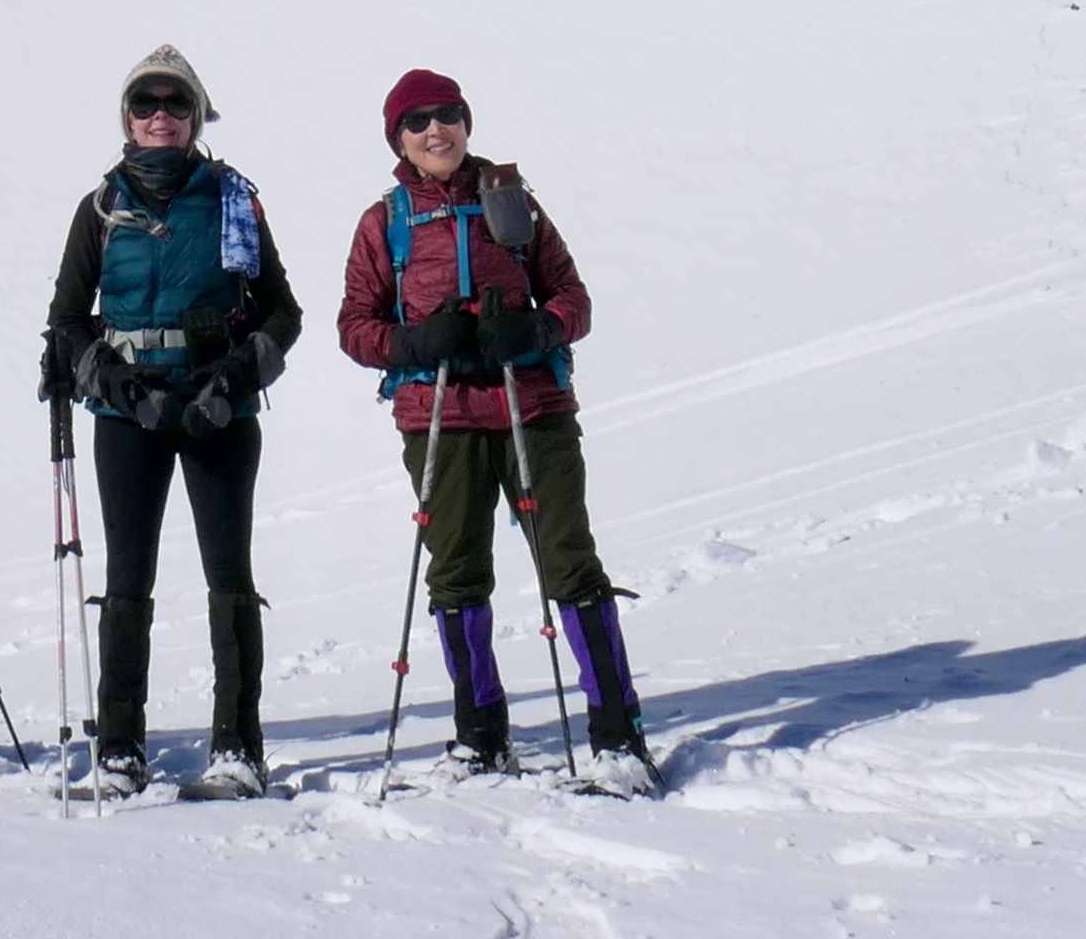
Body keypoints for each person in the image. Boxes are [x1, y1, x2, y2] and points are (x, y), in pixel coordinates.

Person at [335, 69, 653, 786]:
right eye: (416, 123)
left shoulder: (511, 202)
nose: (434, 131)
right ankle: (480, 735)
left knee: (569, 564)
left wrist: (538, 325)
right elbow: (355, 329)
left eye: (446, 115)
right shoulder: (384, 221)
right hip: (439, 420)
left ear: (467, 122)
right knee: (455, 574)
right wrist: (416, 345)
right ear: (399, 139)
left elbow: (574, 297)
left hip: (531, 408)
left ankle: (617, 734)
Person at [41, 46, 301, 800]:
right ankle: (119, 751)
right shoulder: (100, 208)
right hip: (131, 414)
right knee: (128, 578)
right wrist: (117, 384)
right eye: (147, 104)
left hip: (217, 405)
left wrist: (238, 376)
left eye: (176, 104)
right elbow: (64, 322)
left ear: (197, 116)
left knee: (229, 575)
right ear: (127, 118)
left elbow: (283, 312)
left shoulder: (233, 200)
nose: (161, 116)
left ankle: (238, 750)